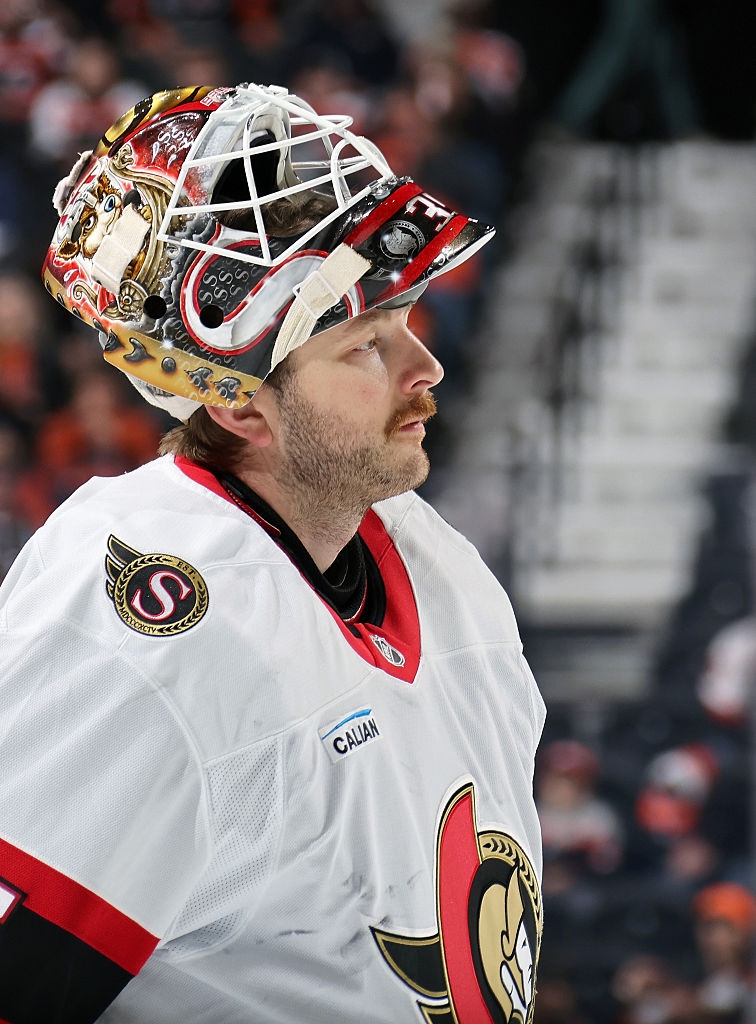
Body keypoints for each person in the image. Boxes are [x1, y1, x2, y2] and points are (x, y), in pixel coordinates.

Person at [0, 81, 546, 1023]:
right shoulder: (143, 630)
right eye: (366, 343)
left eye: (407, 320)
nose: (427, 370)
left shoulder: (434, 561)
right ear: (238, 400)